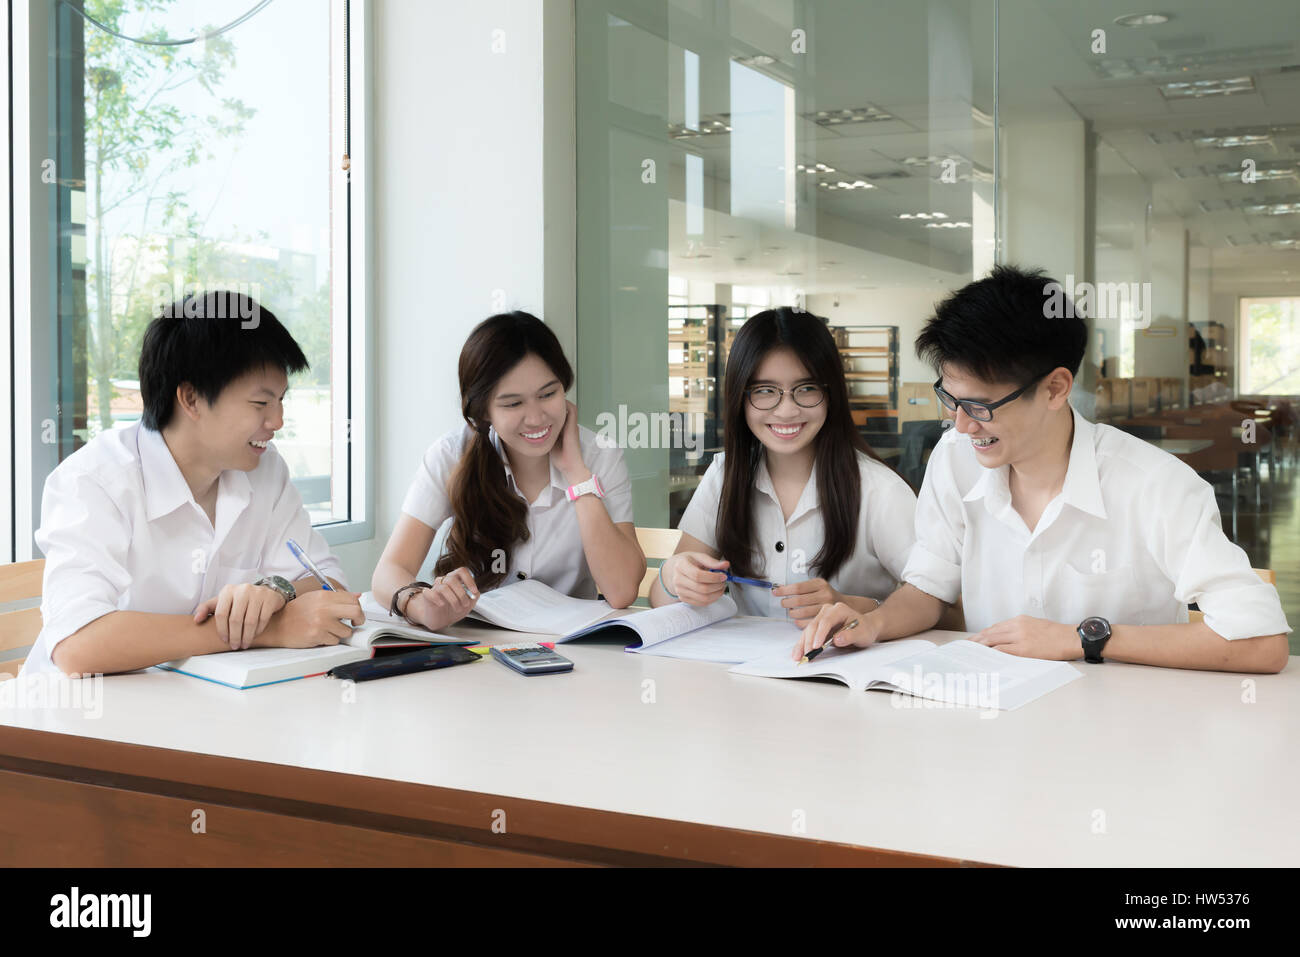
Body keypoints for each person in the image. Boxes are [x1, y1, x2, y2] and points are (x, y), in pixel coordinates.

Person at [794, 265, 1291, 673]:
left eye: (982, 406)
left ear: (1056, 389)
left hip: (1127, 732)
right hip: (995, 717)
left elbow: (1262, 643)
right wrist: (874, 623)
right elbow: (929, 587)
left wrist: (1085, 639)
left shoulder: (1154, 485)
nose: (962, 425)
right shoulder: (955, 459)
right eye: (950, 398)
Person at [25, 291, 362, 677]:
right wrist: (264, 630)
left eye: (281, 400)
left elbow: (329, 583)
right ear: (191, 398)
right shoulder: (95, 481)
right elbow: (78, 645)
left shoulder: (265, 470)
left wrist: (276, 590)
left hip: (208, 706)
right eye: (260, 404)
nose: (277, 421)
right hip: (82, 721)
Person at [372, 311, 645, 627]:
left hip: (570, 649)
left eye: (548, 394)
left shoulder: (600, 456)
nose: (536, 418)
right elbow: (389, 571)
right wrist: (420, 606)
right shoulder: (450, 455)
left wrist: (577, 474)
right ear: (483, 410)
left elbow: (622, 591)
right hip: (478, 646)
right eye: (513, 404)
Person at [651, 307, 916, 623]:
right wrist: (673, 577)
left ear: (831, 394)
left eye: (806, 389)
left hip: (844, 668)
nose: (787, 410)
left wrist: (850, 606)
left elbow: (948, 612)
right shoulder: (724, 476)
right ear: (740, 397)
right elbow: (659, 598)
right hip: (739, 668)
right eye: (765, 391)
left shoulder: (879, 490)